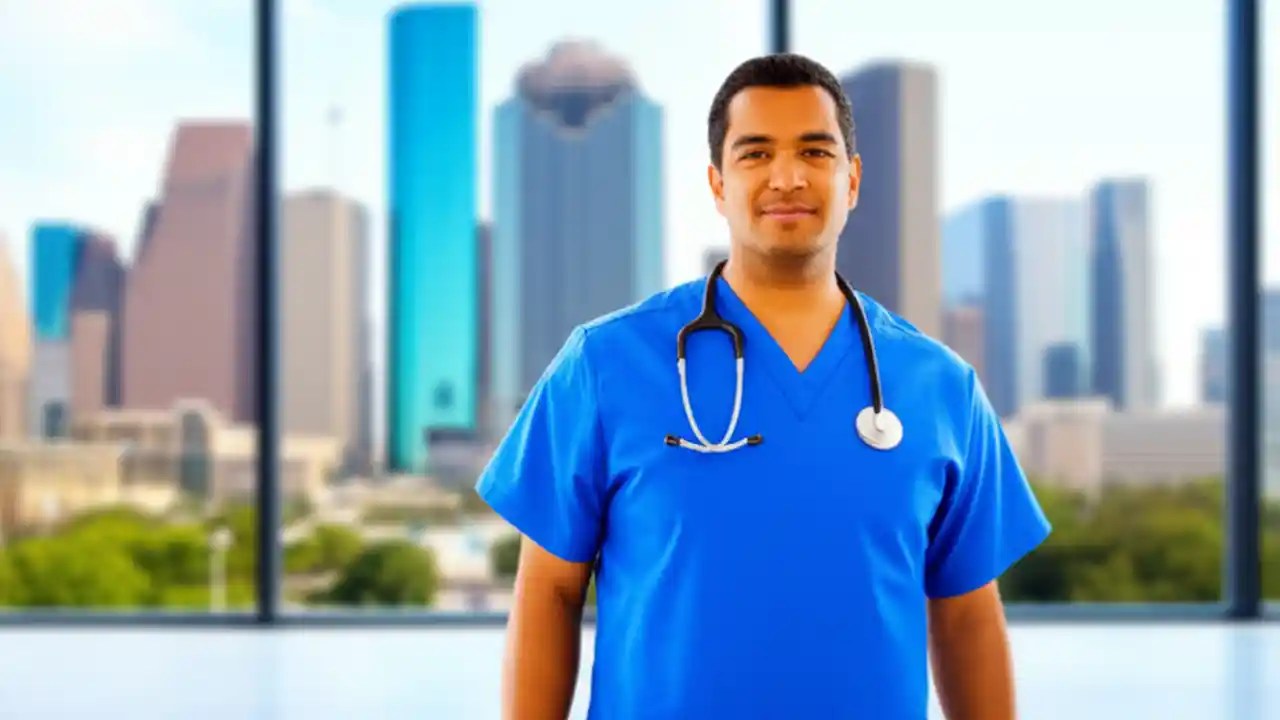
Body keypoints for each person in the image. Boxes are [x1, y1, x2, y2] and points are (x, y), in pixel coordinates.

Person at [476, 52, 1052, 720]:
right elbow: (548, 591)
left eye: (815, 151)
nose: (787, 176)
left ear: (853, 179)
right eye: (755, 154)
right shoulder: (604, 364)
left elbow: (966, 616)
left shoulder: (940, 387)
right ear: (718, 184)